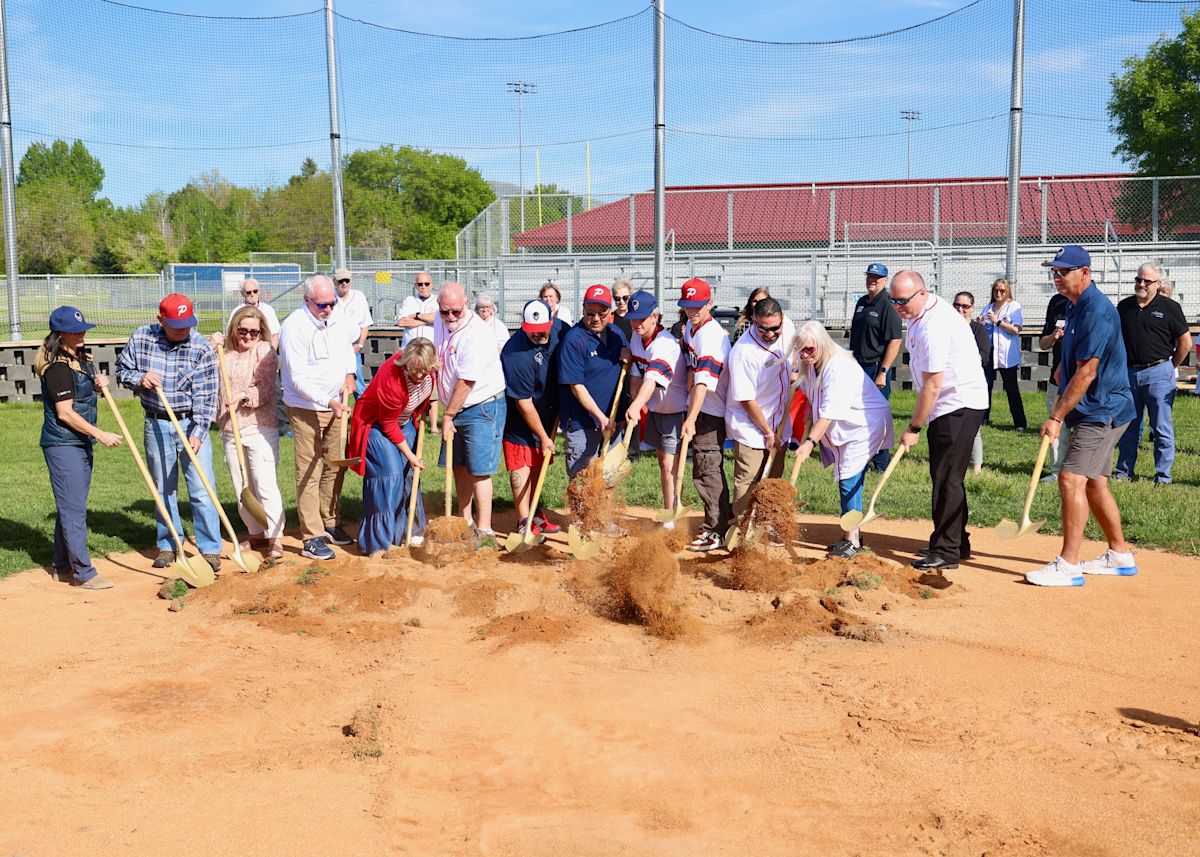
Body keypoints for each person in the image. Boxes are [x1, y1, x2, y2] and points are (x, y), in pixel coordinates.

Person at [1026, 246, 1138, 587]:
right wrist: (1061, 373)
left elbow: (1087, 372)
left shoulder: (1097, 310)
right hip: (1098, 407)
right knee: (1094, 482)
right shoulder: (1073, 306)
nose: (1057, 278)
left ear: (1085, 273)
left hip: (1103, 410)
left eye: (1063, 272)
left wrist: (1056, 416)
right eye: (1054, 272)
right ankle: (1119, 556)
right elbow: (1072, 364)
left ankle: (1068, 565)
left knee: (1070, 478)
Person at [115, 293, 223, 574]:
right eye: (176, 325)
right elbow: (121, 370)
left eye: (187, 323)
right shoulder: (141, 339)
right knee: (163, 489)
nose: (183, 330)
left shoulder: (201, 347)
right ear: (160, 320)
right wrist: (140, 378)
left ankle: (210, 549)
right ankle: (168, 544)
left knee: (201, 489)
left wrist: (199, 432)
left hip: (191, 423)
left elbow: (207, 395)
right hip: (157, 423)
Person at [889, 272, 988, 573]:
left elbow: (933, 384)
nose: (897, 307)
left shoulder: (934, 324)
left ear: (921, 293)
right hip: (946, 406)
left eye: (902, 301)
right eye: (893, 301)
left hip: (957, 405)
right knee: (948, 476)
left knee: (947, 478)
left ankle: (946, 551)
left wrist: (914, 428)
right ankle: (957, 541)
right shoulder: (921, 314)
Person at [37, 306, 123, 589]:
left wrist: (98, 385)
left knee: (71, 506)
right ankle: (83, 573)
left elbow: (82, 395)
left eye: (83, 328)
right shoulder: (58, 368)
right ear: (61, 334)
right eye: (76, 331)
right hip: (63, 444)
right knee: (74, 510)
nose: (82, 334)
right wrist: (100, 434)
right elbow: (65, 413)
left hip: (79, 442)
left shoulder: (81, 358)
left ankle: (62, 566)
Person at [791, 320, 893, 559]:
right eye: (801, 350)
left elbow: (829, 413)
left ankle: (853, 541)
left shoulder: (839, 367)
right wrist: (808, 411)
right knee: (849, 477)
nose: (805, 355)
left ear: (822, 345)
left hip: (863, 426)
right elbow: (810, 391)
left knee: (848, 477)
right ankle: (851, 532)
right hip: (846, 427)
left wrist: (809, 443)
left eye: (809, 349)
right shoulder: (813, 363)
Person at [279, 274, 357, 561]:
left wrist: (349, 375)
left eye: (331, 304)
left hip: (337, 404)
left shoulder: (337, 318)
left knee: (335, 465)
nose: (327, 309)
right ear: (307, 301)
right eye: (322, 305)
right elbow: (296, 378)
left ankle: (330, 520)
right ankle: (311, 536)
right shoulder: (293, 327)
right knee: (309, 469)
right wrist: (328, 402)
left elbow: (348, 349)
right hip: (305, 408)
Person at [435, 281, 508, 542]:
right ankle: (463, 522)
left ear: (465, 303)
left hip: (481, 405)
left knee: (479, 469)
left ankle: (484, 529)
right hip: (457, 407)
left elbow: (467, 381)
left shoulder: (475, 333)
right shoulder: (439, 319)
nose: (451, 317)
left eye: (456, 311)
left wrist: (447, 415)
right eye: (445, 311)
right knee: (459, 466)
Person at [347, 339, 436, 554]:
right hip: (376, 422)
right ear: (405, 362)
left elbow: (423, 399)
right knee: (390, 475)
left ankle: (409, 534)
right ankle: (378, 544)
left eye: (424, 370)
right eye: (414, 369)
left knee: (408, 475)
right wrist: (411, 454)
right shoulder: (392, 380)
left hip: (404, 421)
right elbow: (388, 424)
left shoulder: (428, 374)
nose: (418, 375)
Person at [211, 308, 285, 560]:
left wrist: (244, 396)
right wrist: (212, 345)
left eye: (254, 331)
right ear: (235, 329)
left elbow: (263, 387)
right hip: (230, 428)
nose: (248, 336)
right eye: (243, 330)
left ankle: (275, 537)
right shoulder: (224, 354)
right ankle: (256, 534)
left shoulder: (264, 351)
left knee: (265, 484)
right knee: (242, 486)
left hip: (259, 426)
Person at [1113, 263, 1192, 485]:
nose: (1141, 284)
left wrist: (1169, 367)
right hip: (1129, 374)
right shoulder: (1124, 307)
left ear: (1157, 284)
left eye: (1147, 281)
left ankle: (1163, 476)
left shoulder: (1170, 307)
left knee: (1161, 428)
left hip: (1159, 373)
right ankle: (1124, 472)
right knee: (1128, 426)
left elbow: (1185, 343)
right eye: (1138, 280)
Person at [725, 297, 796, 529]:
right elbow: (746, 399)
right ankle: (743, 528)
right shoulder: (743, 352)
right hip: (751, 426)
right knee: (748, 480)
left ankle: (768, 525)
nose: (770, 333)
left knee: (774, 479)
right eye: (762, 328)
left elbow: (796, 353)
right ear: (753, 321)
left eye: (775, 328)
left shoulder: (788, 328)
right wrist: (767, 432)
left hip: (780, 421)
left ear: (782, 319)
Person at [623, 290, 689, 528]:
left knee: (669, 463)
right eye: (633, 317)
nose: (637, 322)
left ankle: (672, 515)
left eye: (642, 317)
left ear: (655, 316)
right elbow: (637, 374)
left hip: (675, 410)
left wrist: (636, 404)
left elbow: (651, 379)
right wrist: (634, 392)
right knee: (662, 460)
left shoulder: (665, 345)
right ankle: (669, 507)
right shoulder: (636, 338)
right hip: (656, 409)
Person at [500, 299, 565, 539]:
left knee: (538, 465)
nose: (538, 335)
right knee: (521, 468)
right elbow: (523, 403)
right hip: (520, 419)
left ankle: (536, 513)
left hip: (548, 411)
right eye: (532, 331)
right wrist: (543, 436)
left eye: (542, 330)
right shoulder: (514, 354)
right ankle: (523, 522)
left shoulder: (560, 328)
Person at [678, 278, 734, 552]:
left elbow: (703, 382)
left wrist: (690, 418)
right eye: (688, 306)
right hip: (701, 406)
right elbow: (693, 367)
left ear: (710, 303)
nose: (693, 311)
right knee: (704, 467)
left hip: (711, 411)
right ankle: (718, 521)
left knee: (707, 468)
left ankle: (717, 529)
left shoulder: (711, 336)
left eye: (698, 306)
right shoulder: (691, 327)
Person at [558, 283, 629, 479]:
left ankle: (604, 512)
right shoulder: (574, 339)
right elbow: (576, 387)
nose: (596, 318)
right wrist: (600, 417)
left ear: (610, 312)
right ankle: (581, 512)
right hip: (583, 422)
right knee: (582, 482)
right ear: (583, 309)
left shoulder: (617, 334)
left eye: (602, 313)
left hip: (612, 419)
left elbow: (630, 359)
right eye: (590, 313)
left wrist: (628, 355)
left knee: (610, 478)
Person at [849, 263, 902, 471]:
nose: (872, 280)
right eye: (869, 276)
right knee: (858, 413)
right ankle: (863, 455)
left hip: (876, 367)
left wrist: (883, 371)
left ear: (885, 280)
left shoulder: (888, 305)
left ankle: (881, 462)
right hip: (858, 366)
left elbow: (895, 340)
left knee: (877, 415)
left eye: (876, 277)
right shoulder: (862, 302)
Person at [979, 278, 1027, 431]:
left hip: (1005, 354)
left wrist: (998, 322)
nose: (999, 293)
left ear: (1007, 292)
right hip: (989, 351)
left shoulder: (1013, 307)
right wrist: (980, 321)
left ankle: (1020, 423)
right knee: (985, 386)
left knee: (1011, 388)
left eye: (1002, 291)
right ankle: (983, 418)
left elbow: (1016, 329)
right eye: (996, 291)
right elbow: (982, 327)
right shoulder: (988, 307)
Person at [1037, 289, 1073, 483]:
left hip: (1082, 379)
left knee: (1084, 428)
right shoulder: (1056, 302)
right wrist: (1054, 336)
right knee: (1058, 426)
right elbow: (1043, 344)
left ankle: (1082, 471)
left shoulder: (1092, 304)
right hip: (1057, 380)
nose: (1059, 278)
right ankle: (1057, 471)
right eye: (1057, 273)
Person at [395, 272, 439, 429]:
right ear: (416, 285)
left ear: (431, 284)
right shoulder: (409, 300)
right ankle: (410, 421)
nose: (423, 287)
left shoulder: (437, 300)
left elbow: (437, 318)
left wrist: (416, 316)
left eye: (426, 284)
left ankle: (433, 426)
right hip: (410, 351)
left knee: (431, 389)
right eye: (420, 284)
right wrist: (425, 321)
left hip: (429, 350)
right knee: (409, 387)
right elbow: (401, 322)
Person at [953, 291, 990, 475]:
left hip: (971, 383)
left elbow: (984, 355)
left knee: (972, 426)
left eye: (965, 306)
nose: (960, 309)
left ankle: (976, 467)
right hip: (951, 382)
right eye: (957, 305)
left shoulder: (978, 330)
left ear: (972, 308)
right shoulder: (947, 327)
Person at [331, 267, 374, 396]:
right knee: (333, 384)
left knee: (358, 384)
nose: (344, 283)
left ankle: (364, 415)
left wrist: (359, 345)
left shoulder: (359, 297)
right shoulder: (330, 297)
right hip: (333, 349)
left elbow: (365, 324)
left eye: (347, 280)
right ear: (335, 282)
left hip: (352, 348)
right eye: (340, 281)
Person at [228, 278, 280, 349]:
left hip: (264, 352)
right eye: (248, 292)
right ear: (243, 294)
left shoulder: (268, 310)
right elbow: (231, 335)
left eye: (255, 291)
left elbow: (275, 334)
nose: (252, 294)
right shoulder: (237, 311)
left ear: (259, 291)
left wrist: (272, 353)